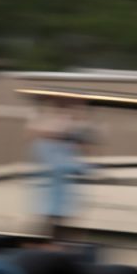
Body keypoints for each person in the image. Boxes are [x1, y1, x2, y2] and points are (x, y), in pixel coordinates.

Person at [28, 93, 93, 241]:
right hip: (53, 184)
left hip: (62, 185)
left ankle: (53, 240)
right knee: (52, 217)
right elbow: (61, 163)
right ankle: (48, 241)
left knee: (61, 217)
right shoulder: (45, 139)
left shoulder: (67, 138)